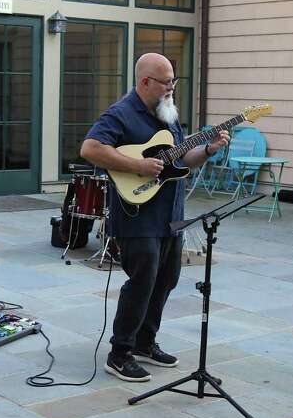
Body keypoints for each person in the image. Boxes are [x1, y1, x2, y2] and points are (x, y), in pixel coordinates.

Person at [81, 53, 229, 382]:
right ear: (146, 82)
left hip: (170, 215)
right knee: (142, 280)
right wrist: (137, 166)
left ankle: (144, 343)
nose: (172, 87)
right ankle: (119, 353)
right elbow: (90, 148)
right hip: (137, 215)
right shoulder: (121, 113)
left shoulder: (168, 115)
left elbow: (180, 160)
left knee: (166, 280)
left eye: (174, 80)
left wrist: (208, 150)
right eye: (166, 82)